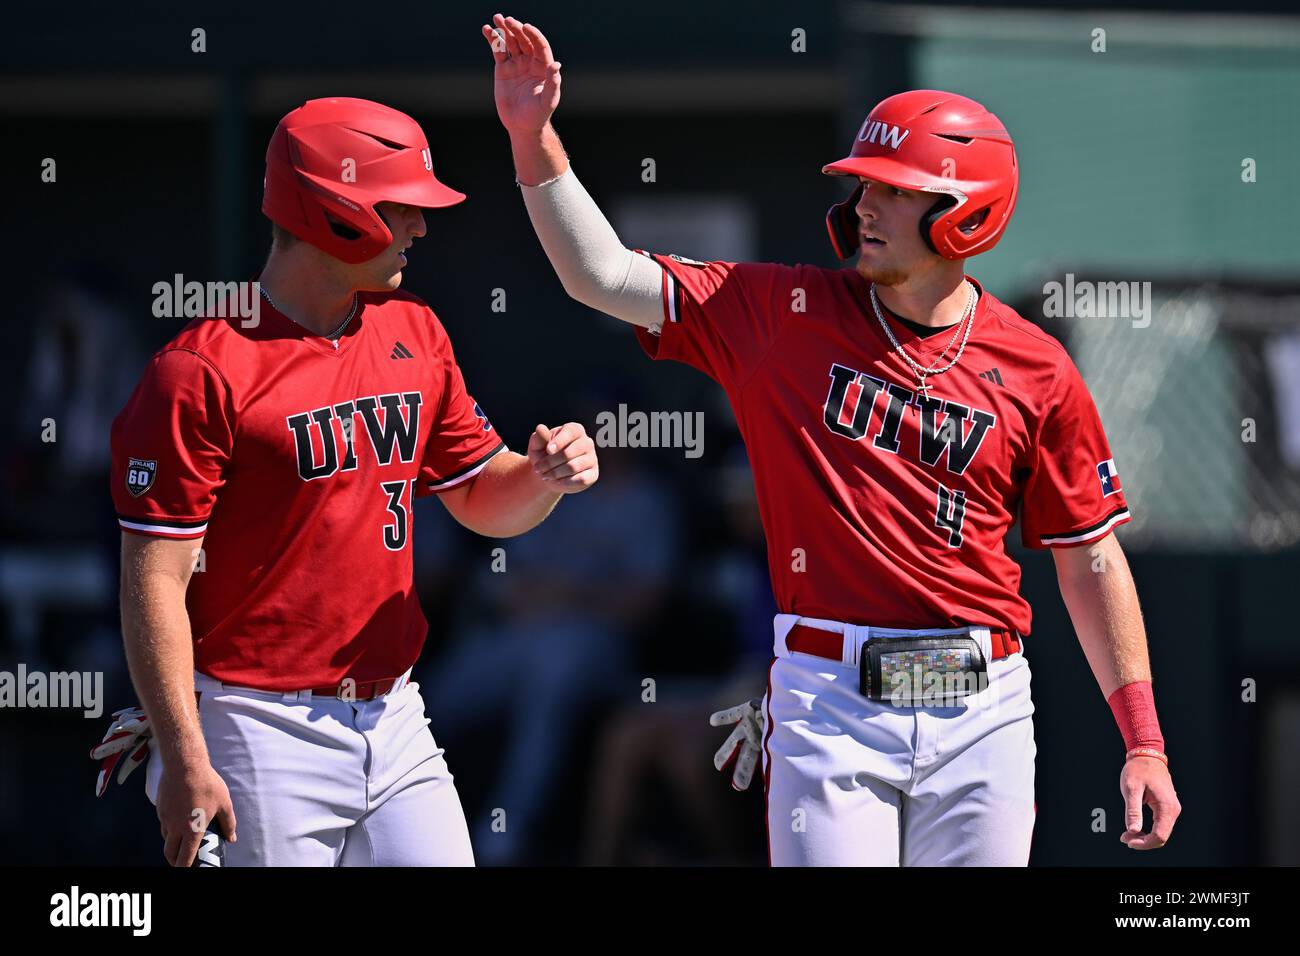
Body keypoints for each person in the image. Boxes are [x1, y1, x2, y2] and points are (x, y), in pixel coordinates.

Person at [482, 14, 1180, 866]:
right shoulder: (782, 312)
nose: (865, 205)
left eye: (895, 188)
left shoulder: (1036, 367)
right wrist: (533, 136)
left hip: (983, 704)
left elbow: (1091, 559)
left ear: (964, 215)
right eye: (864, 184)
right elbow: (602, 273)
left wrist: (1143, 740)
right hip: (829, 696)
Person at [106, 96, 599, 866]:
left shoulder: (414, 331)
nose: (419, 228)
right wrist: (186, 753)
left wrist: (541, 478)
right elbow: (152, 584)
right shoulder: (199, 370)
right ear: (335, 210)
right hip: (256, 723)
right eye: (401, 208)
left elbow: (479, 496)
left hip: (397, 714)